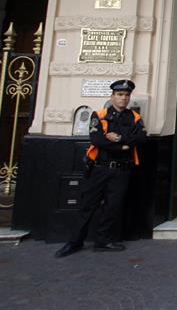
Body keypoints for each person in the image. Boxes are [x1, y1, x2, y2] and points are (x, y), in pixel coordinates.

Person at [55, 79, 147, 257]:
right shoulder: (99, 115)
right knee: (88, 205)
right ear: (112, 96)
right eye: (120, 95)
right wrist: (123, 145)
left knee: (113, 206)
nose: (123, 99)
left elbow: (141, 138)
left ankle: (103, 241)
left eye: (127, 95)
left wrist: (118, 139)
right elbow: (97, 140)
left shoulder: (134, 117)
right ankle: (75, 242)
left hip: (121, 170)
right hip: (100, 168)